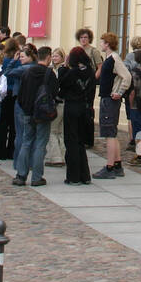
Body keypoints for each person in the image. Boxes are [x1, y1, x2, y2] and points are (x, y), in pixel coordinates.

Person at [12, 46, 57, 187]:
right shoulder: (50, 74)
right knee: (40, 144)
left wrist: (26, 108)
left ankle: (21, 175)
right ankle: (37, 177)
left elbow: (21, 93)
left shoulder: (28, 72)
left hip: (28, 112)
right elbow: (54, 94)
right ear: (48, 57)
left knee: (26, 142)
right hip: (42, 114)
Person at [91, 32, 131, 179]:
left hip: (110, 99)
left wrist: (119, 92)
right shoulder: (109, 58)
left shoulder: (114, 58)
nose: (101, 44)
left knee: (109, 134)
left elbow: (126, 76)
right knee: (111, 133)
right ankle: (118, 164)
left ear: (107, 44)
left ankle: (109, 167)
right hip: (107, 98)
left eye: (102, 42)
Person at [59, 46, 95, 184]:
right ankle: (85, 175)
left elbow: (61, 85)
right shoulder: (90, 72)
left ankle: (73, 176)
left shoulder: (72, 72)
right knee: (80, 142)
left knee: (71, 141)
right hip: (85, 108)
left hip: (72, 107)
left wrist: (63, 67)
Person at [45, 47, 67, 167]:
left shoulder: (59, 71)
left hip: (59, 103)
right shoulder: (57, 69)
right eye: (53, 56)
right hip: (64, 104)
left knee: (52, 131)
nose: (54, 58)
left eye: (56, 56)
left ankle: (56, 157)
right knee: (60, 131)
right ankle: (63, 155)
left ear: (62, 57)